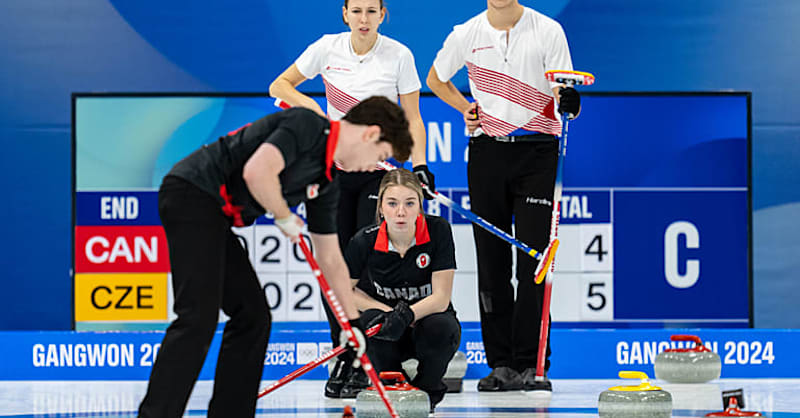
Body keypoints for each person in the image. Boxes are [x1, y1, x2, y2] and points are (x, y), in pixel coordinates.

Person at [137, 96, 413, 418]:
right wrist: (283, 216)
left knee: (253, 317)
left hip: (214, 213)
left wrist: (350, 323)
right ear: (370, 133)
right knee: (197, 317)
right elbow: (258, 172)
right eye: (380, 157)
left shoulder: (326, 183)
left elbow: (330, 257)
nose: (373, 168)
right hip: (191, 193)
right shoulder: (308, 125)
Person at [268, 0, 435, 399]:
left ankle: (367, 357)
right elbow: (280, 85)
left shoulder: (399, 54)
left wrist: (419, 164)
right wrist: (317, 112)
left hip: (375, 173)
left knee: (365, 267)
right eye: (356, 11)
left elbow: (412, 116)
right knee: (334, 265)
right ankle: (345, 349)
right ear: (345, 14)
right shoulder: (327, 47)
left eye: (371, 12)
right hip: (334, 172)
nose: (364, 19)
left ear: (383, 15)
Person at [426, 0, 581, 392]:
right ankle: (501, 365)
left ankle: (531, 363)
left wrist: (569, 101)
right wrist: (465, 107)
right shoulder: (467, 33)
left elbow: (564, 88)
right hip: (487, 152)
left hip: (538, 151)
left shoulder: (548, 29)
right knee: (491, 262)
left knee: (533, 259)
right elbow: (435, 78)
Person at [345, 168, 460, 411]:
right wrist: (389, 313)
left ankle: (428, 391)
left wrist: (407, 315)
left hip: (425, 324)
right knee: (369, 323)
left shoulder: (438, 230)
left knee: (444, 328)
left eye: (410, 203)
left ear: (420, 205)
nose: (400, 212)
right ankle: (392, 388)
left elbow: (441, 297)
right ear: (380, 207)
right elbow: (347, 292)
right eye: (392, 203)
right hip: (387, 327)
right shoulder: (363, 240)